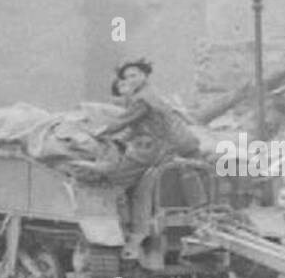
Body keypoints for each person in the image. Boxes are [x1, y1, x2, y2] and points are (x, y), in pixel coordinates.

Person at [75, 59, 199, 189]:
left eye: (134, 76)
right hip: (170, 142)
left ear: (144, 75)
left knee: (117, 176)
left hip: (163, 146)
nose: (130, 80)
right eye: (127, 77)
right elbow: (135, 126)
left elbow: (122, 121)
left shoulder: (143, 99)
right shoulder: (149, 93)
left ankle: (121, 204)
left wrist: (99, 131)